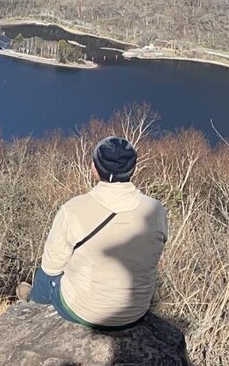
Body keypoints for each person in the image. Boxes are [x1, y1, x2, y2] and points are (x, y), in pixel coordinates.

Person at [28, 135, 168, 329]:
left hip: (84, 310)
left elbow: (51, 267)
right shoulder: (155, 210)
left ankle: (30, 315)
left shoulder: (74, 209)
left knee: (45, 276)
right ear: (133, 169)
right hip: (134, 312)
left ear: (94, 167)